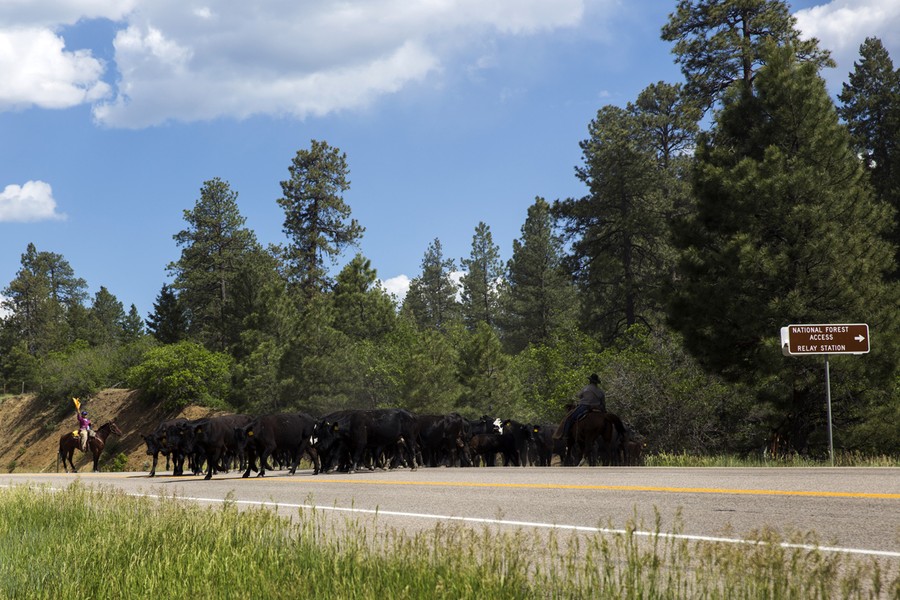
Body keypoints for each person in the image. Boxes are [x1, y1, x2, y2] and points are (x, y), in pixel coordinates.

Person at [554, 373, 607, 440]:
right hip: (598, 407)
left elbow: (579, 396)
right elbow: (603, 402)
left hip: (585, 406)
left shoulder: (586, 388)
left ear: (590, 381)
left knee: (569, 418)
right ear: (597, 382)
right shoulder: (601, 391)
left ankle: (566, 435)